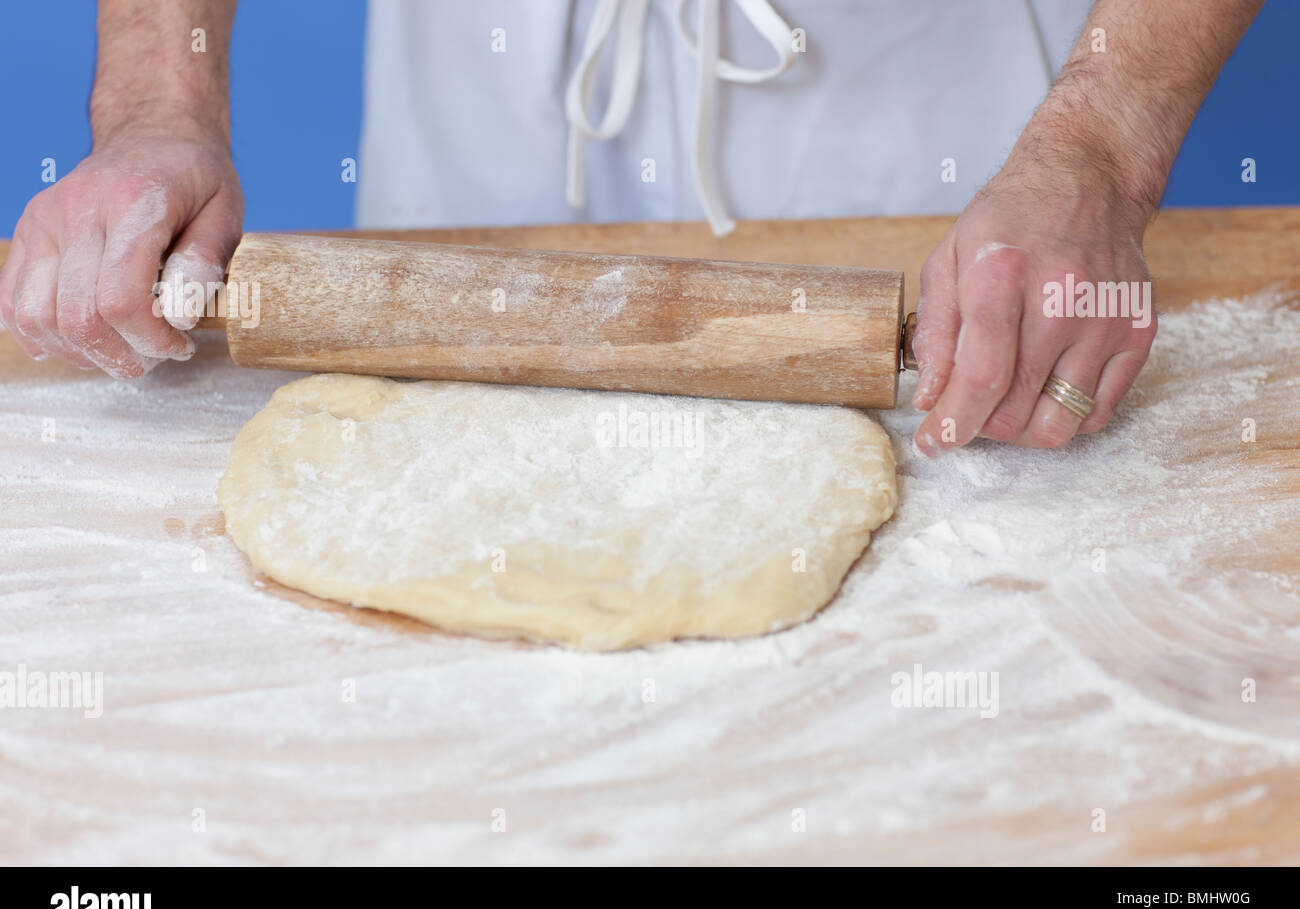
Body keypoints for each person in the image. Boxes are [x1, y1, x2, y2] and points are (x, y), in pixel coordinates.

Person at [0, 0, 1263, 458]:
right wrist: (158, 103)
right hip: (489, 90)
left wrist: (1093, 152)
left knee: (974, 426)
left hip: (927, 109)